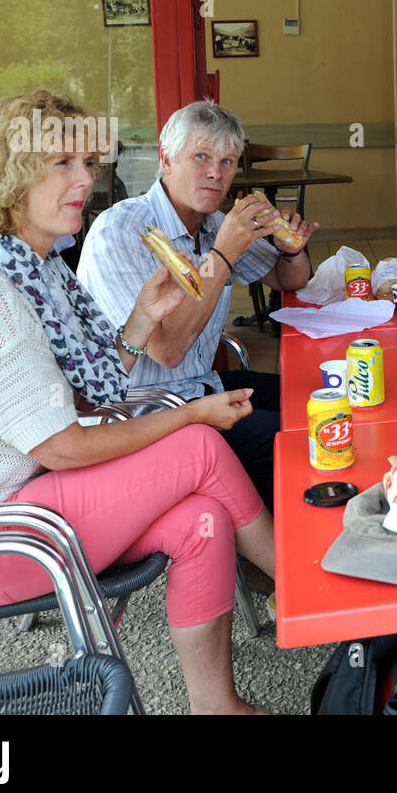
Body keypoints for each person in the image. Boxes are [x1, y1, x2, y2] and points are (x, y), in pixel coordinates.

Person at [0, 90, 277, 714]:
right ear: (9, 174)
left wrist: (142, 319)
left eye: (87, 162)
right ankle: (303, 585)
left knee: (204, 517)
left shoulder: (34, 269)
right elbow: (64, 447)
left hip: (16, 504)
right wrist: (193, 412)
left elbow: (86, 387)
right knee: (199, 443)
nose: (87, 179)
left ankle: (215, 705)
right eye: (64, 164)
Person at [79, 100, 317, 512]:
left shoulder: (211, 223)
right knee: (298, 438)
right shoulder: (121, 231)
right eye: (201, 157)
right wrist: (224, 253)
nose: (215, 172)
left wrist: (289, 250)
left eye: (227, 161)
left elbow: (287, 280)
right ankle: (293, 546)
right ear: (166, 159)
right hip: (146, 414)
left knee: (320, 400)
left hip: (202, 387)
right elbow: (167, 352)